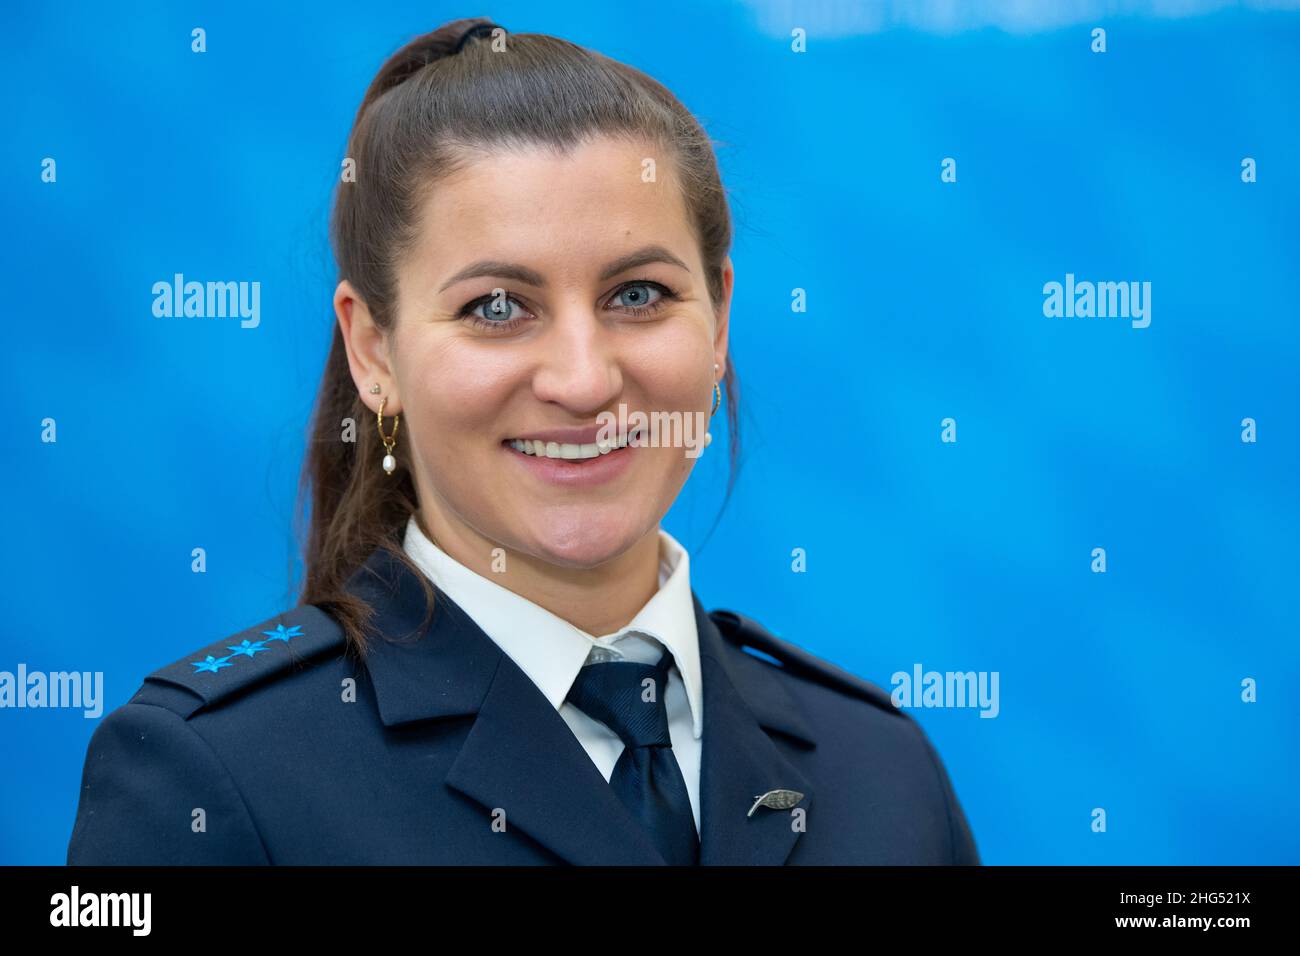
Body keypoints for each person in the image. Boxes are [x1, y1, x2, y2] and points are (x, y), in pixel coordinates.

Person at [66, 17, 979, 866]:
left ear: (721, 320)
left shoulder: (884, 775)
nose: (582, 380)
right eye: (496, 308)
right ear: (372, 349)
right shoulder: (214, 774)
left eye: (638, 295)